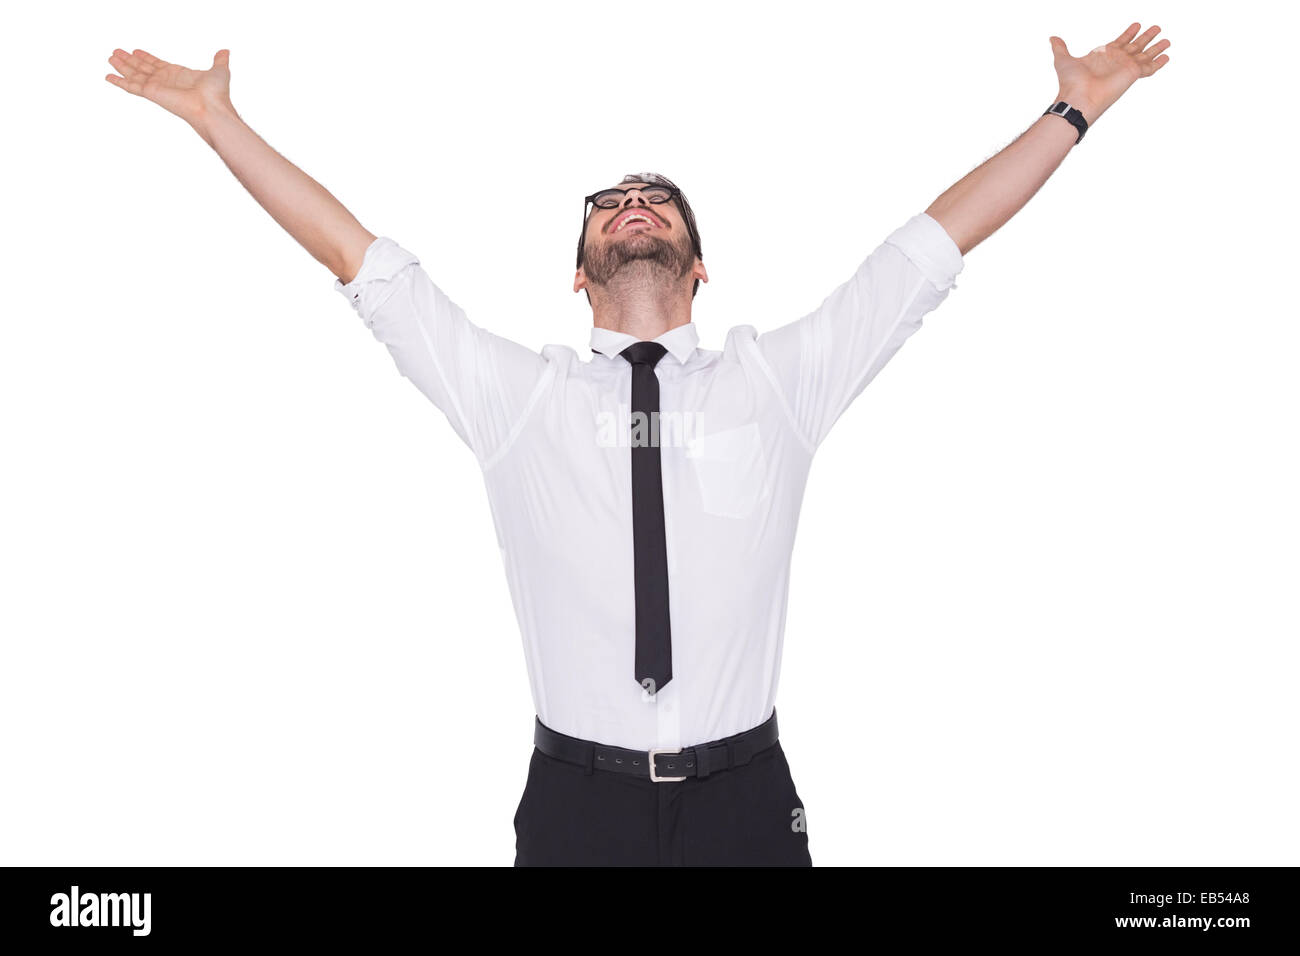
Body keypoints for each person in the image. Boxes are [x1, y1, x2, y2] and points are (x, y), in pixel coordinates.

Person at [105, 23, 1171, 867]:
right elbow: (358, 259)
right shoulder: (515, 397)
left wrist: (1074, 107)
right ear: (578, 272)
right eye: (609, 207)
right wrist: (214, 120)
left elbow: (929, 245)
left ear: (697, 263)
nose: (632, 208)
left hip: (745, 798)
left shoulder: (778, 381)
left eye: (654, 202)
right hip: (577, 803)